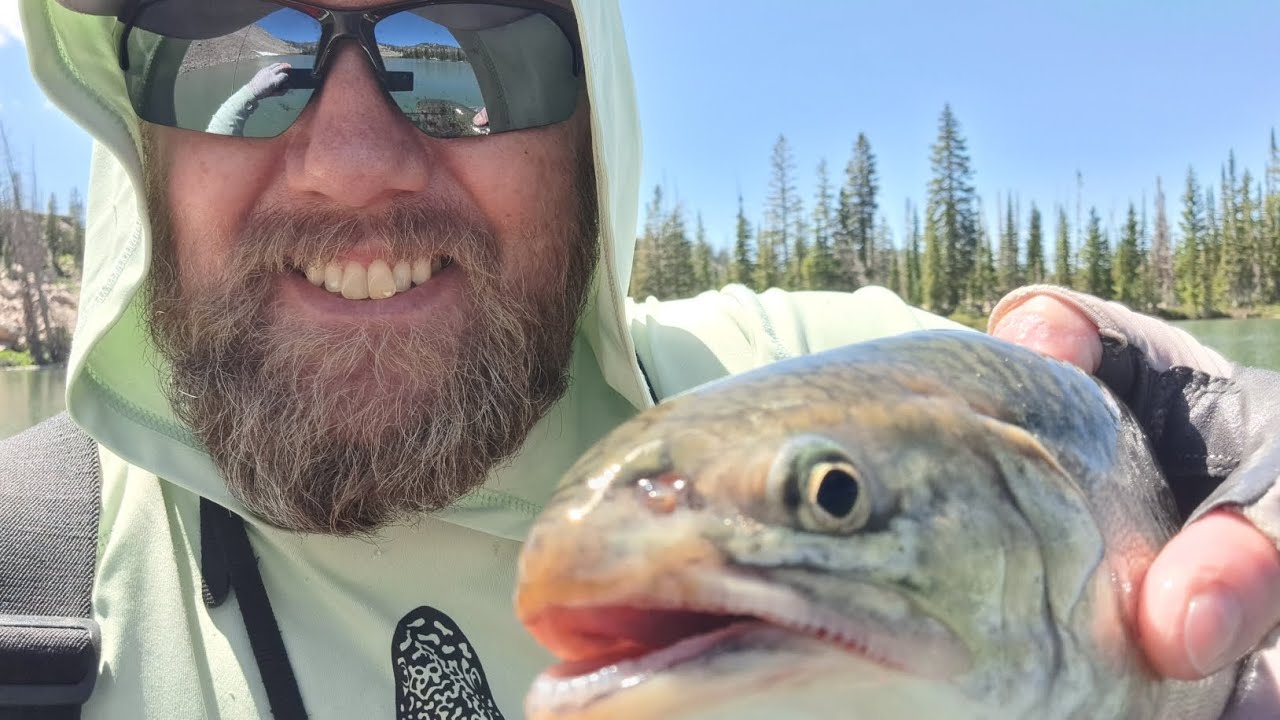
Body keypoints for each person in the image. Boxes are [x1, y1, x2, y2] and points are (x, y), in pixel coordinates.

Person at [7, 0, 1278, 717]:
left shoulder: (806, 377)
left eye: (463, 61)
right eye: (240, 61)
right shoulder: (27, 574)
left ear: (591, 131)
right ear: (131, 123)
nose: (350, 158)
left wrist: (1191, 433)